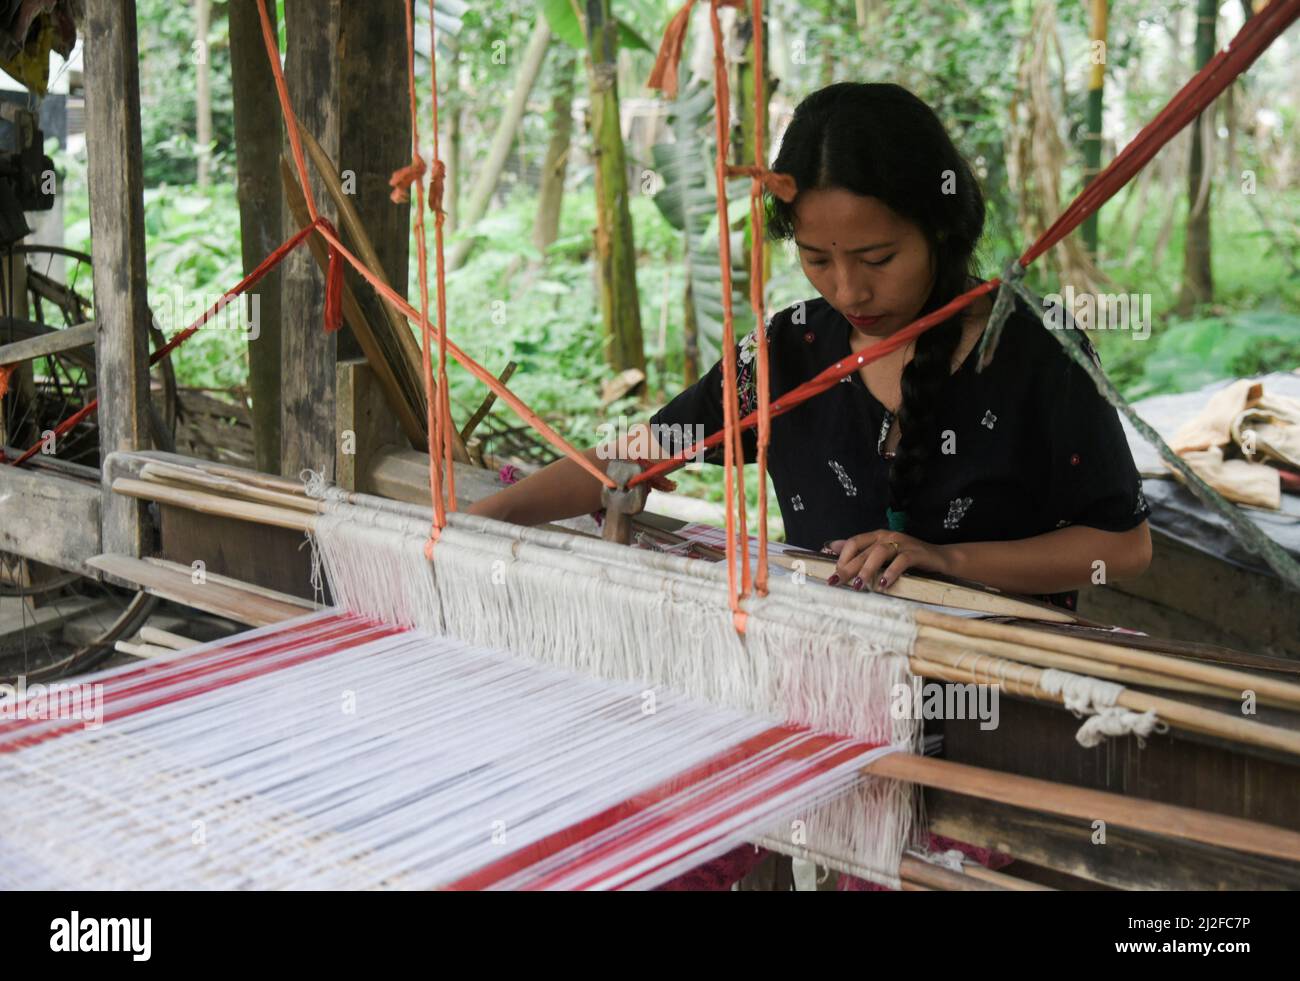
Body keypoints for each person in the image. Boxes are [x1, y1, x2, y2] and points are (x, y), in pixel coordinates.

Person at [470, 81, 1152, 612]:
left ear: (940, 227)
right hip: (829, 680)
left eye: (877, 257)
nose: (849, 289)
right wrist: (480, 520)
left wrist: (948, 560)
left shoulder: (1038, 349)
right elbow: (634, 454)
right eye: (818, 259)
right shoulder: (786, 350)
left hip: (1013, 690)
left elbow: (1123, 546)